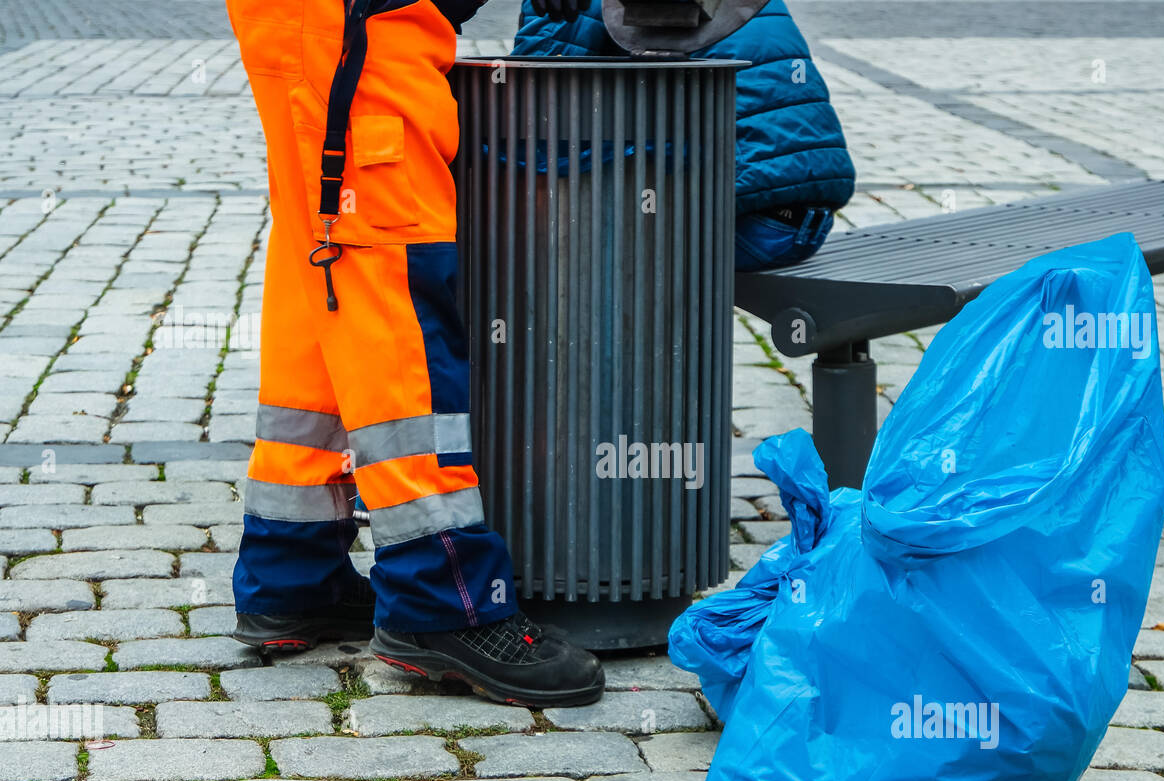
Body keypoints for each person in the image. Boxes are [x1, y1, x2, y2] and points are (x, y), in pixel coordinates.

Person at [225, 0, 605, 708]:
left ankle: (291, 574)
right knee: (394, 292)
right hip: (359, 29)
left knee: (327, 276)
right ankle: (445, 600)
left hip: (327, 26)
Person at [514, 0, 857, 271]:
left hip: (743, 229)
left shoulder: (570, 4)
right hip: (803, 222)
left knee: (541, 246)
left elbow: (534, 122)